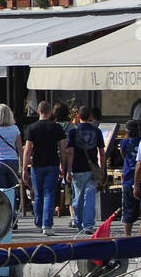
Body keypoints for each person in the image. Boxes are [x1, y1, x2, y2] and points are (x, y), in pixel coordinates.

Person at [23, 100, 68, 236]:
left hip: (37, 165)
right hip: (53, 163)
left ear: (38, 112)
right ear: (50, 113)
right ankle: (47, 225)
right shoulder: (57, 128)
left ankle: (38, 220)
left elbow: (28, 149)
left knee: (38, 194)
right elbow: (63, 148)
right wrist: (63, 165)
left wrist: (24, 168)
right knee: (49, 194)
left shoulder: (32, 128)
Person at [66, 106, 106, 234]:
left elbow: (70, 152)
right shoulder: (97, 131)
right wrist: (103, 168)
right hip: (92, 168)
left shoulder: (73, 132)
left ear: (78, 116)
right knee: (90, 196)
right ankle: (88, 224)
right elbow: (102, 152)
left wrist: (68, 169)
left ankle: (78, 222)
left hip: (77, 169)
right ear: (90, 117)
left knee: (78, 198)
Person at [0, 103, 23, 191]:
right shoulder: (15, 129)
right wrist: (22, 163)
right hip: (13, 161)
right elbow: (20, 149)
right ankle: (12, 204)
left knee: (1, 190)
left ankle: (4, 204)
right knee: (12, 189)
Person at [118, 119, 141, 238]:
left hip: (128, 176)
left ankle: (128, 235)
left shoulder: (124, 142)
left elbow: (123, 155)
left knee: (127, 209)